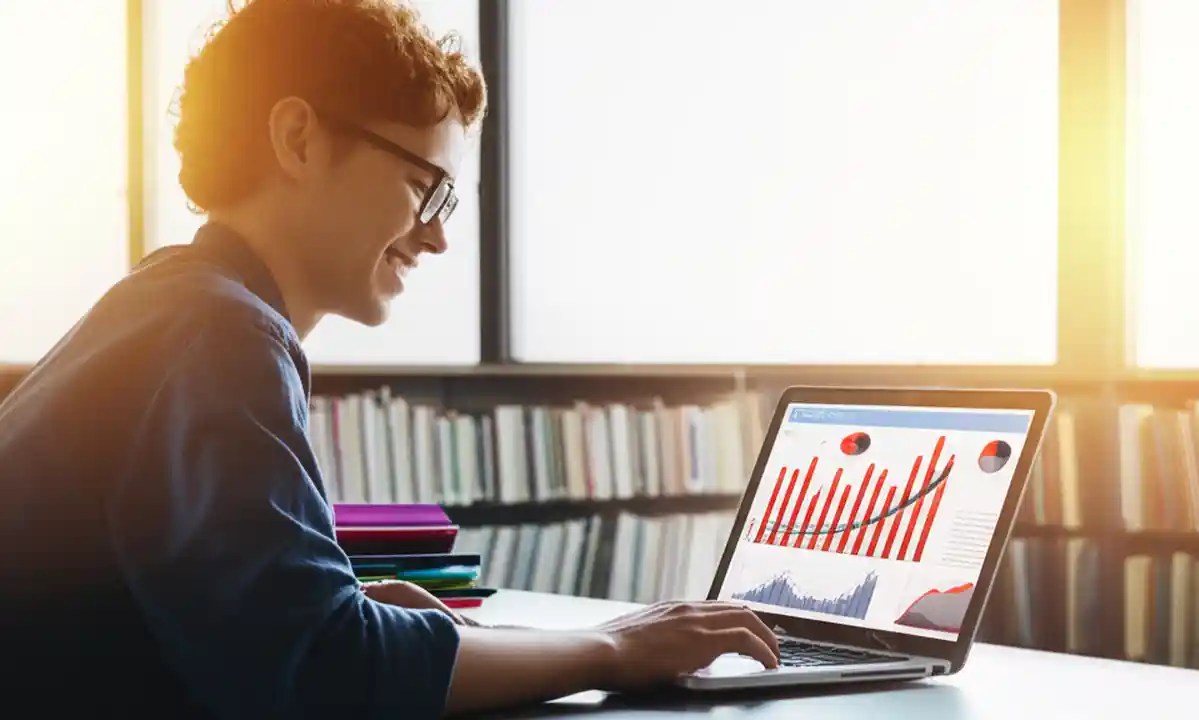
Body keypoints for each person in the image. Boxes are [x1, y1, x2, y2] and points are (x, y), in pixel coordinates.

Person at [0, 0, 778, 716]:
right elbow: (325, 670)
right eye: (425, 186)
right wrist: (615, 647)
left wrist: (353, 605)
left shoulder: (165, 299)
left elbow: (224, 622)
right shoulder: (220, 333)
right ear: (298, 139)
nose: (439, 236)